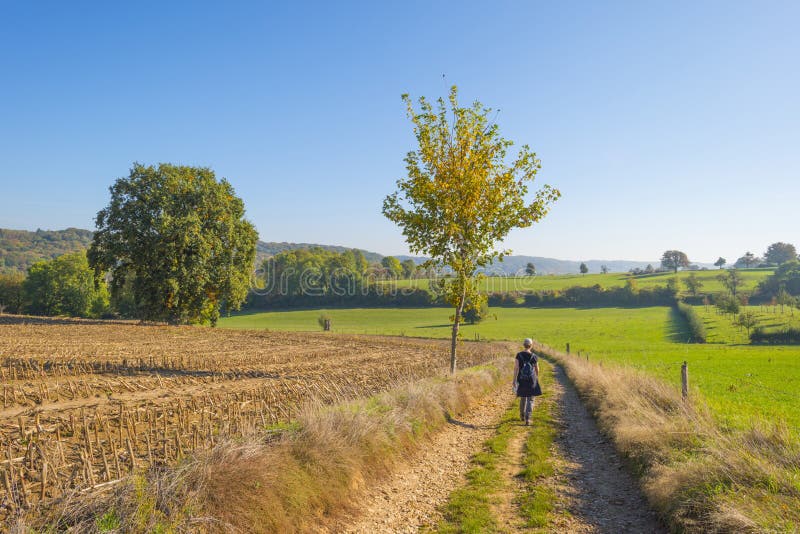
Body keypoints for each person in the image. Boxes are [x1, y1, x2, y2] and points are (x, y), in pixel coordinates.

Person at [513, 338, 541, 425]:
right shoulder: (534, 356)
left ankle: (522, 415)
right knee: (531, 399)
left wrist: (514, 380)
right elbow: (537, 369)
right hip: (531, 380)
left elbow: (516, 368)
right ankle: (528, 419)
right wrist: (536, 378)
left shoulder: (519, 355)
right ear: (531, 345)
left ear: (523, 345)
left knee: (523, 397)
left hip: (522, 379)